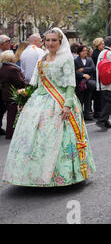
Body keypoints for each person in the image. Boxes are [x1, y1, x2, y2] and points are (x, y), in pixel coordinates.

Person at [2, 28, 95, 186]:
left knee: (60, 139)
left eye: (54, 40)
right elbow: (36, 83)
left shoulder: (65, 59)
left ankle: (62, 175)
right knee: (35, 139)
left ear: (60, 42)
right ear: (44, 41)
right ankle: (32, 175)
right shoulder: (43, 59)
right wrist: (26, 95)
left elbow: (70, 85)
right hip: (39, 101)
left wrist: (67, 106)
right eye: (48, 40)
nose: (50, 43)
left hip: (60, 102)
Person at [0, 50, 26, 139]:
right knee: (12, 114)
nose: (15, 57)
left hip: (6, 93)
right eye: (13, 56)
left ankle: (10, 132)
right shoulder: (12, 69)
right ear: (10, 58)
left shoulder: (3, 67)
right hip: (12, 94)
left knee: (11, 114)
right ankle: (10, 133)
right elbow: (20, 82)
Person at [74, 45, 96, 121]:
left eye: (86, 50)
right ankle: (80, 115)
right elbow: (75, 71)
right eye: (83, 51)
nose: (85, 52)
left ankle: (87, 114)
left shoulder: (90, 60)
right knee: (80, 99)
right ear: (79, 52)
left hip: (88, 82)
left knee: (88, 99)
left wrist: (83, 69)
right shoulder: (76, 61)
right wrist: (83, 75)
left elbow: (93, 68)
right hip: (79, 83)